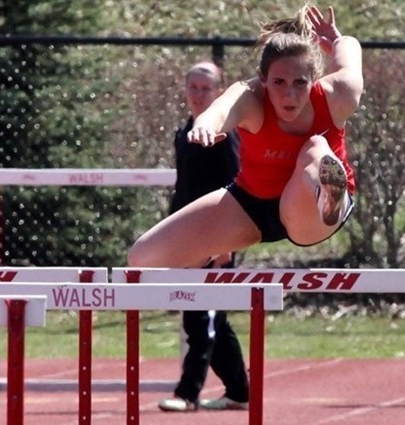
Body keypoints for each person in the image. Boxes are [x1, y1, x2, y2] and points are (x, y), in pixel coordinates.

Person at [128, 5, 361, 270]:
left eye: (300, 83)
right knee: (142, 257)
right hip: (251, 205)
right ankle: (204, 262)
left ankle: (331, 193)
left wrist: (337, 41)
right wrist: (205, 126)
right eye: (279, 83)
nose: (289, 95)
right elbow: (220, 109)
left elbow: (350, 50)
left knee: (316, 145)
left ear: (315, 79)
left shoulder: (338, 94)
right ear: (263, 80)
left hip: (308, 213)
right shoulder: (250, 96)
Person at [156, 62, 249, 413]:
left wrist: (226, 243)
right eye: (192, 87)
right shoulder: (185, 131)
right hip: (187, 239)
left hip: (215, 240)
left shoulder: (224, 134)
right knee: (212, 318)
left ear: (220, 92)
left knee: (201, 318)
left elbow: (238, 187)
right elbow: (185, 190)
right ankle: (239, 391)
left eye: (205, 88)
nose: (198, 94)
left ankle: (187, 392)